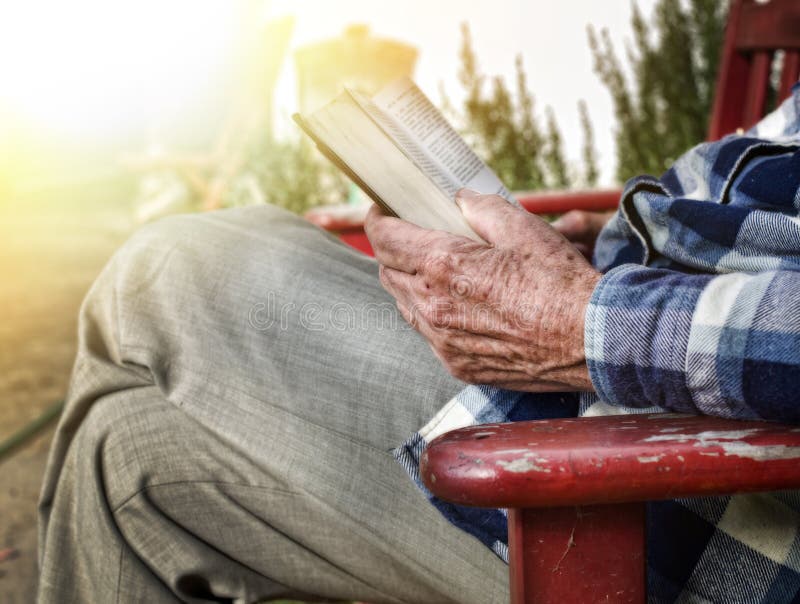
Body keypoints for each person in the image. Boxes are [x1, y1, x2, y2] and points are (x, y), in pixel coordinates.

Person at [38, 87, 800, 603]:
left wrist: (580, 319)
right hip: (655, 377)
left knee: (173, 274)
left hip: (691, 491)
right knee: (125, 450)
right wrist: (608, 249)